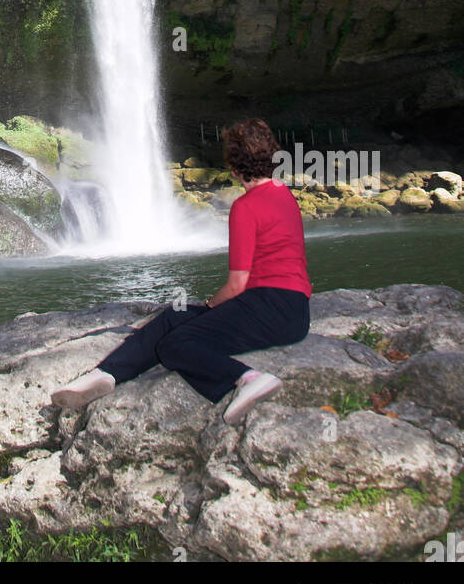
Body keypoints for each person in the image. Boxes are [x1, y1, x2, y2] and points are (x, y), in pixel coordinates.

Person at [50, 119, 311, 424]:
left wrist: (211, 306)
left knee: (176, 344)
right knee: (175, 316)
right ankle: (106, 374)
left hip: (266, 307)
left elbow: (238, 285)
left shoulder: (246, 207)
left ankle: (247, 379)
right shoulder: (284, 194)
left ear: (235, 165)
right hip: (293, 312)